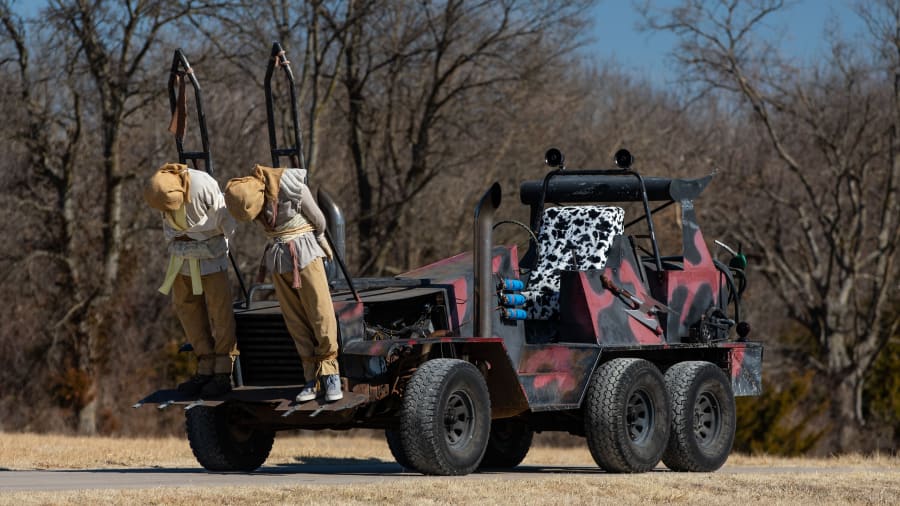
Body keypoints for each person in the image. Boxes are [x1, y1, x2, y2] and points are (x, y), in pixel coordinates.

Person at [223, 164, 342, 402]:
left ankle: (330, 374)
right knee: (294, 319)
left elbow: (318, 219)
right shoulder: (247, 195)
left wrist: (320, 237)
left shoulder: (290, 185)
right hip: (280, 260)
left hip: (305, 255)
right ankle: (310, 377)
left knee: (320, 313)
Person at [144, 163, 237, 397]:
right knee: (187, 309)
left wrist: (219, 240)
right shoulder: (158, 187)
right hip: (182, 258)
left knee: (220, 311)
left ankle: (223, 370)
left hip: (211, 257)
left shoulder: (203, 184)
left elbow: (225, 218)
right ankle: (205, 365)